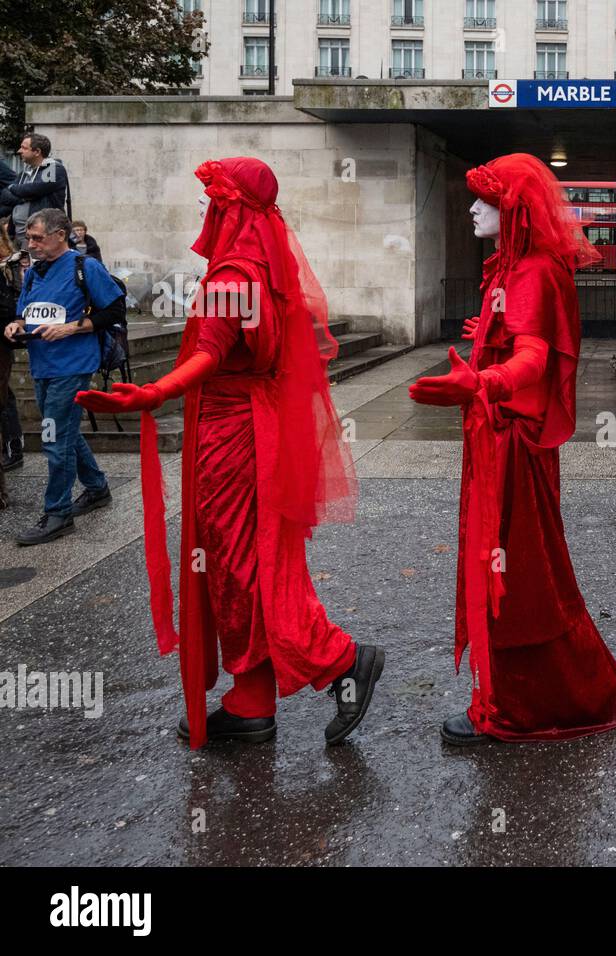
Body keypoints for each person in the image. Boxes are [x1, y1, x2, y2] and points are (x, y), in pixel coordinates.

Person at [76, 157, 384, 748]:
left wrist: (157, 391)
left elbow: (212, 352)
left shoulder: (230, 277)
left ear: (233, 207)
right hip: (252, 424)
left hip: (230, 430)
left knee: (237, 562)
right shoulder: (263, 271)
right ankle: (251, 700)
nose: (202, 209)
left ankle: (340, 662)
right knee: (246, 558)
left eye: (210, 198)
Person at [409, 153, 616, 745]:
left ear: (513, 208)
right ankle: (514, 694)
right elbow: (521, 338)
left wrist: (483, 381)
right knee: (519, 570)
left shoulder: (531, 271)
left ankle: (528, 703)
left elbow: (535, 358)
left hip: (513, 440)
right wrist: (487, 342)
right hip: (500, 437)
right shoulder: (517, 267)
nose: (472, 209)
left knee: (521, 577)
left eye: (485, 201)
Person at [4, 210, 116, 546]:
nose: (30, 244)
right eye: (29, 237)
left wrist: (70, 328)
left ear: (61, 234)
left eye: (38, 237)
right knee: (64, 431)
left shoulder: (86, 267)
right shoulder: (36, 270)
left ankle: (58, 512)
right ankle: (97, 488)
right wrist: (17, 326)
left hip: (72, 366)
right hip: (42, 366)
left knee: (54, 438)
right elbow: (25, 312)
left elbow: (113, 311)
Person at [1, 134, 70, 247]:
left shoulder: (53, 168)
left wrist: (14, 189)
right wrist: (22, 195)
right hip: (19, 235)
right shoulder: (25, 172)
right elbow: (5, 195)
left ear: (37, 151)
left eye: (24, 148)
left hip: (42, 237)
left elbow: (34, 189)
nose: (19, 151)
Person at [0, 224, 23, 478]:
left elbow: (8, 308)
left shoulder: (7, 264)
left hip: (3, 340)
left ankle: (13, 447)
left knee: (3, 396)